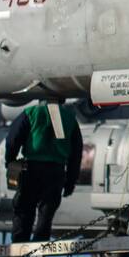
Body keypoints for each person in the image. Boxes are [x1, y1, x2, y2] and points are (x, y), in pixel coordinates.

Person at [5, 99, 83, 244]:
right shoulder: (69, 117)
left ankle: (18, 247)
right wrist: (70, 182)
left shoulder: (31, 112)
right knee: (46, 213)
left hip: (32, 169)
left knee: (24, 209)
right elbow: (76, 153)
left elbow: (13, 139)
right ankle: (39, 248)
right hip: (56, 171)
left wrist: (10, 161)